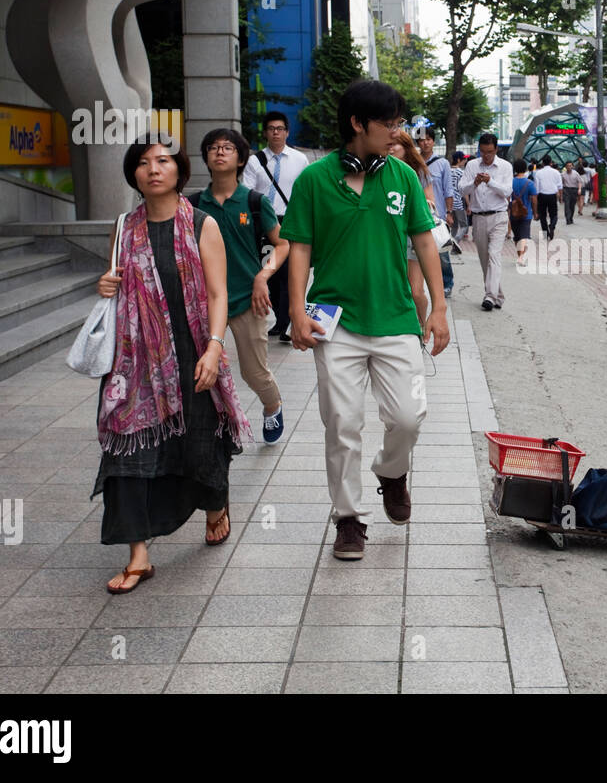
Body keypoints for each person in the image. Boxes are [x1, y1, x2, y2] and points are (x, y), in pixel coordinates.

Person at [281, 80, 450, 561]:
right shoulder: (314, 181)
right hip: (337, 323)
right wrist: (295, 308)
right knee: (341, 422)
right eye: (390, 123)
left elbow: (423, 241)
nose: (398, 132)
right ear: (358, 124)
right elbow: (300, 247)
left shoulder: (400, 176)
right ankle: (349, 519)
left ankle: (392, 472)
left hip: (397, 318)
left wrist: (437, 307)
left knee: (408, 415)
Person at [93, 136, 252, 594]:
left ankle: (215, 502)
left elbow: (219, 294)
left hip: (192, 350)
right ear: (134, 175)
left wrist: (215, 347)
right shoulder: (124, 227)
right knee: (127, 448)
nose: (153, 169)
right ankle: (138, 554)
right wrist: (105, 284)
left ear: (179, 171)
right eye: (143, 163)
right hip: (135, 360)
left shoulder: (202, 223)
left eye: (162, 161)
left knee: (200, 445)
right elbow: (115, 285)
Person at [192, 128, 289, 445]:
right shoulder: (192, 205)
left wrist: (263, 276)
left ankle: (272, 405)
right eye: (213, 147)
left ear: (240, 159)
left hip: (248, 300)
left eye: (227, 148)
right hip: (204, 302)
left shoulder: (254, 201)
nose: (219, 152)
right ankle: (212, 426)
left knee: (254, 372)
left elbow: (283, 244)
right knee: (202, 368)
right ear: (206, 157)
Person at [241, 111, 309, 342]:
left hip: (290, 221)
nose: (276, 132)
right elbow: (248, 192)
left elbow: (306, 193)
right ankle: (280, 319)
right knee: (269, 271)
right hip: (264, 223)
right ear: (266, 133)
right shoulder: (254, 161)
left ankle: (285, 323)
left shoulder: (300, 159)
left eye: (280, 128)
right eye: (271, 129)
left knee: (290, 273)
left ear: (287, 132)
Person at [388, 132, 439, 327]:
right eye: (389, 144)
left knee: (416, 291)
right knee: (399, 287)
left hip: (414, 238)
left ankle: (421, 325)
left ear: (406, 147)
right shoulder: (382, 169)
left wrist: (422, 202)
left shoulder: (418, 171)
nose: (391, 148)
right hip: (392, 237)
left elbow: (431, 203)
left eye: (396, 144)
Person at [459, 133, 513, 311]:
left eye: (489, 152)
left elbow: (506, 191)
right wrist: (474, 183)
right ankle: (498, 296)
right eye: (483, 152)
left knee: (493, 255)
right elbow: (461, 189)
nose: (486, 155)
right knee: (484, 259)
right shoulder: (472, 165)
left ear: (496, 149)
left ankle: (489, 296)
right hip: (478, 217)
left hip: (498, 216)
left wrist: (490, 182)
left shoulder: (505, 167)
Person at [417, 125, 457, 283]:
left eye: (428, 139)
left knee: (442, 251)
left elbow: (448, 190)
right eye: (421, 140)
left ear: (433, 141)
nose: (425, 143)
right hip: (418, 213)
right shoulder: (412, 162)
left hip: (438, 214)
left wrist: (449, 212)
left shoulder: (443, 163)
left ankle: (447, 282)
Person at [509, 158, 538, 266]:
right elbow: (534, 199)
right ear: (525, 168)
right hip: (526, 213)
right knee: (524, 236)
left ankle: (520, 256)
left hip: (513, 213)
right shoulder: (529, 183)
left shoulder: (510, 181)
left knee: (517, 236)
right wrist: (535, 212)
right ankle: (521, 257)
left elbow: (507, 197)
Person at [533, 156, 562, 239]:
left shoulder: (538, 173)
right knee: (554, 214)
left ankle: (545, 235)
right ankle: (552, 226)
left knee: (542, 216)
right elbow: (560, 186)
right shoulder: (556, 173)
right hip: (553, 195)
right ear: (551, 163)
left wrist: (536, 198)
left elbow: (537, 188)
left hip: (542, 196)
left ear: (542, 163)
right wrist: (560, 197)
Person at [449, 150, 470, 243]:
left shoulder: (448, 171)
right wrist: (468, 204)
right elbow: (464, 190)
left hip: (449, 203)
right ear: (458, 160)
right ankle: (455, 242)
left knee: (454, 226)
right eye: (464, 159)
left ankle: (450, 243)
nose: (465, 161)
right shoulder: (460, 173)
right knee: (464, 226)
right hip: (458, 203)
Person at [561, 161, 583, 226]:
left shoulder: (576, 173)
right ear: (565, 167)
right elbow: (561, 183)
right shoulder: (563, 174)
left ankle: (571, 218)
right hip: (566, 190)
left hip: (574, 190)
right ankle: (567, 219)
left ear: (572, 166)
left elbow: (579, 181)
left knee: (572, 205)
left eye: (570, 166)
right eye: (567, 166)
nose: (569, 167)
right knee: (567, 205)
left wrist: (579, 189)